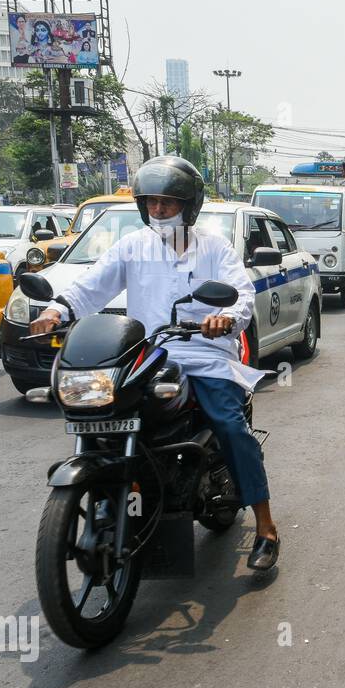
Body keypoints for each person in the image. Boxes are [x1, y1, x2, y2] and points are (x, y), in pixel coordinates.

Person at [28, 156, 282, 571]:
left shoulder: (215, 248)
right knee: (106, 412)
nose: (159, 211)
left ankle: (266, 526)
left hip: (204, 354)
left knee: (230, 425)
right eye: (151, 202)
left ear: (189, 205)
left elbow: (241, 295)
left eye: (169, 202)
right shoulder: (132, 246)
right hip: (148, 356)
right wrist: (57, 311)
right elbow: (92, 286)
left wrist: (225, 320)